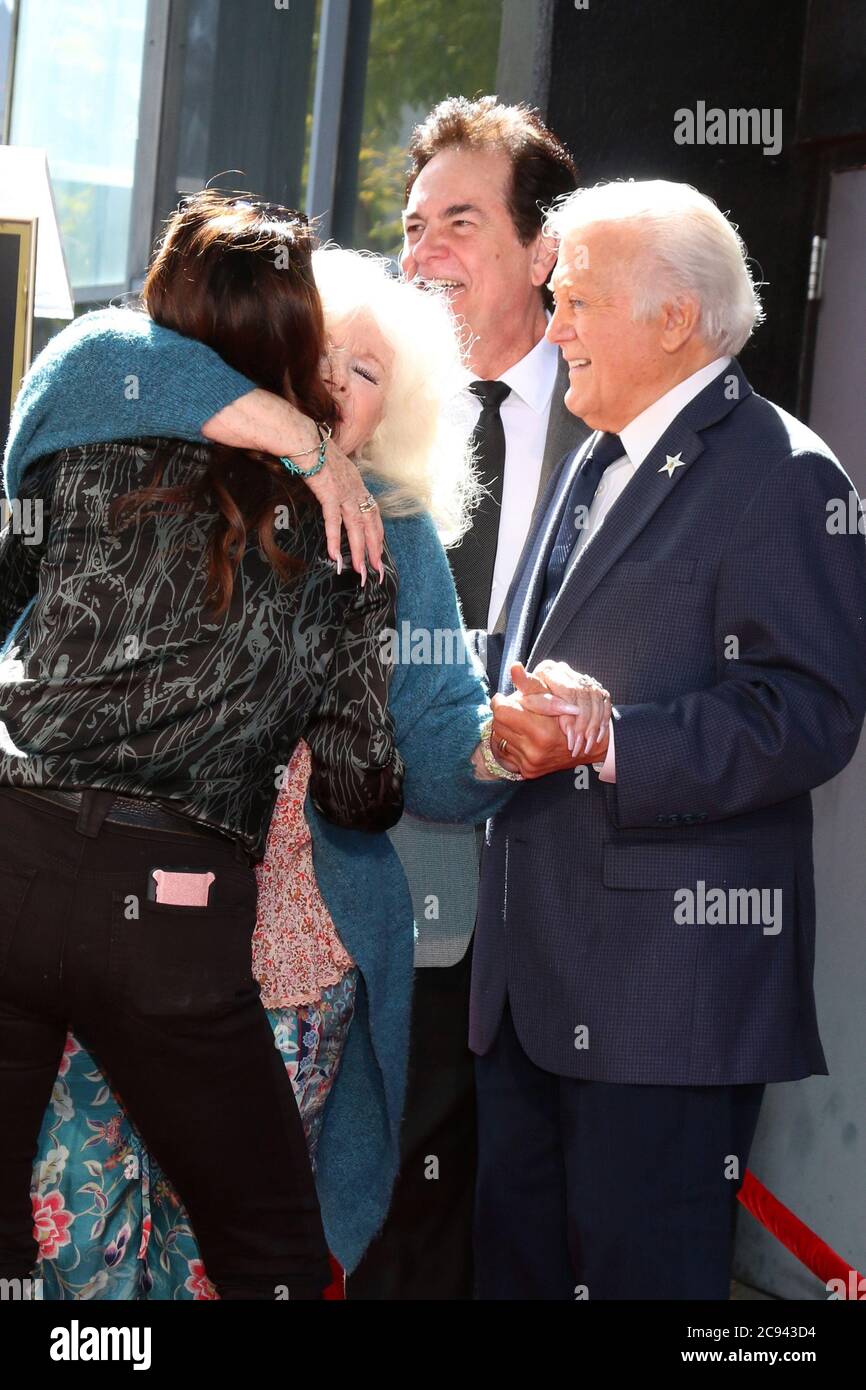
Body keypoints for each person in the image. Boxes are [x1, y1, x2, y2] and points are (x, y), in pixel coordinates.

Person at [9, 245, 591, 1296]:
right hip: (110, 913)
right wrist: (287, 440)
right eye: (310, 352)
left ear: (398, 412)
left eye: (361, 371)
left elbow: (434, 748)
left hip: (287, 948)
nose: (327, 381)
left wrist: (503, 744)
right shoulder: (157, 444)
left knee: (219, 1261)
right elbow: (83, 367)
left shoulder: (388, 534)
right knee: (74, 1239)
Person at [0, 194, 407, 1302]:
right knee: (270, 1248)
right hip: (169, 916)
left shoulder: (80, 433)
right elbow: (364, 791)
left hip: (11, 855)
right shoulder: (342, 529)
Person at [471, 178, 866, 1299]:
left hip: (663, 1010)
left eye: (576, 302)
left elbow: (809, 713)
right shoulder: (592, 456)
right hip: (527, 991)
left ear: (674, 317)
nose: (553, 330)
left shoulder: (783, 474)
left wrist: (610, 743)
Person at [350, 95, 591, 1301]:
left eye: (458, 222)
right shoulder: (359, 422)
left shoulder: (620, 424)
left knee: (535, 1229)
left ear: (540, 253)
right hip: (408, 879)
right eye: (410, 225)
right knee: (396, 1196)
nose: (420, 252)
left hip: (572, 900)